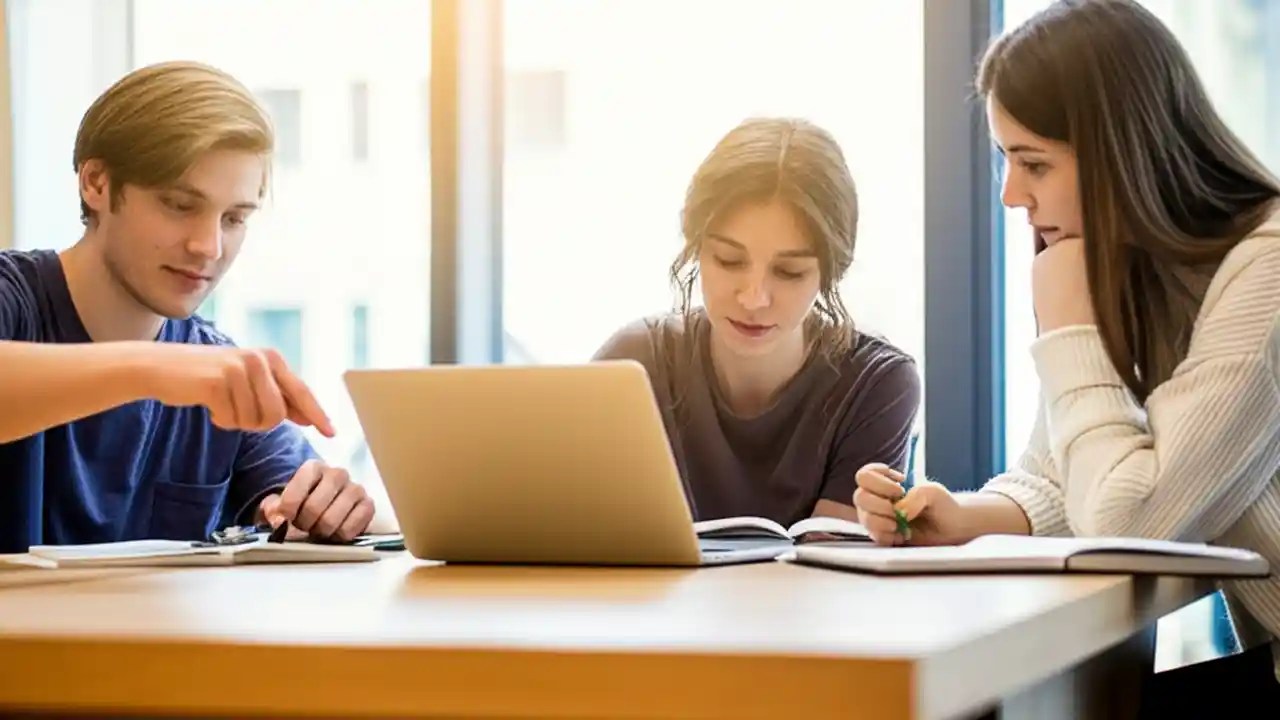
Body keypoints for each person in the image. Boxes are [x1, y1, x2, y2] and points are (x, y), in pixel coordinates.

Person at [850, 0, 1280, 711]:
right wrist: (964, 515)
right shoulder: (1145, 271)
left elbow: (1130, 519)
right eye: (1004, 160)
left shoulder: (1265, 272)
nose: (1011, 194)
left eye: (1034, 164)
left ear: (1122, 150)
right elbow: (1063, 476)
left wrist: (1070, 322)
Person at [0, 61, 376, 553]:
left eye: (235, 218)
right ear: (95, 182)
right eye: (180, 205)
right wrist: (155, 368)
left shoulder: (211, 367)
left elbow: (310, 500)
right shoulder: (14, 296)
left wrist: (329, 508)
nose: (209, 246)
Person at [594, 117, 921, 527]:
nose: (753, 298)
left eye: (789, 272)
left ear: (830, 272)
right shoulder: (634, 363)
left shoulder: (875, 383)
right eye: (729, 261)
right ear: (696, 249)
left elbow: (832, 568)